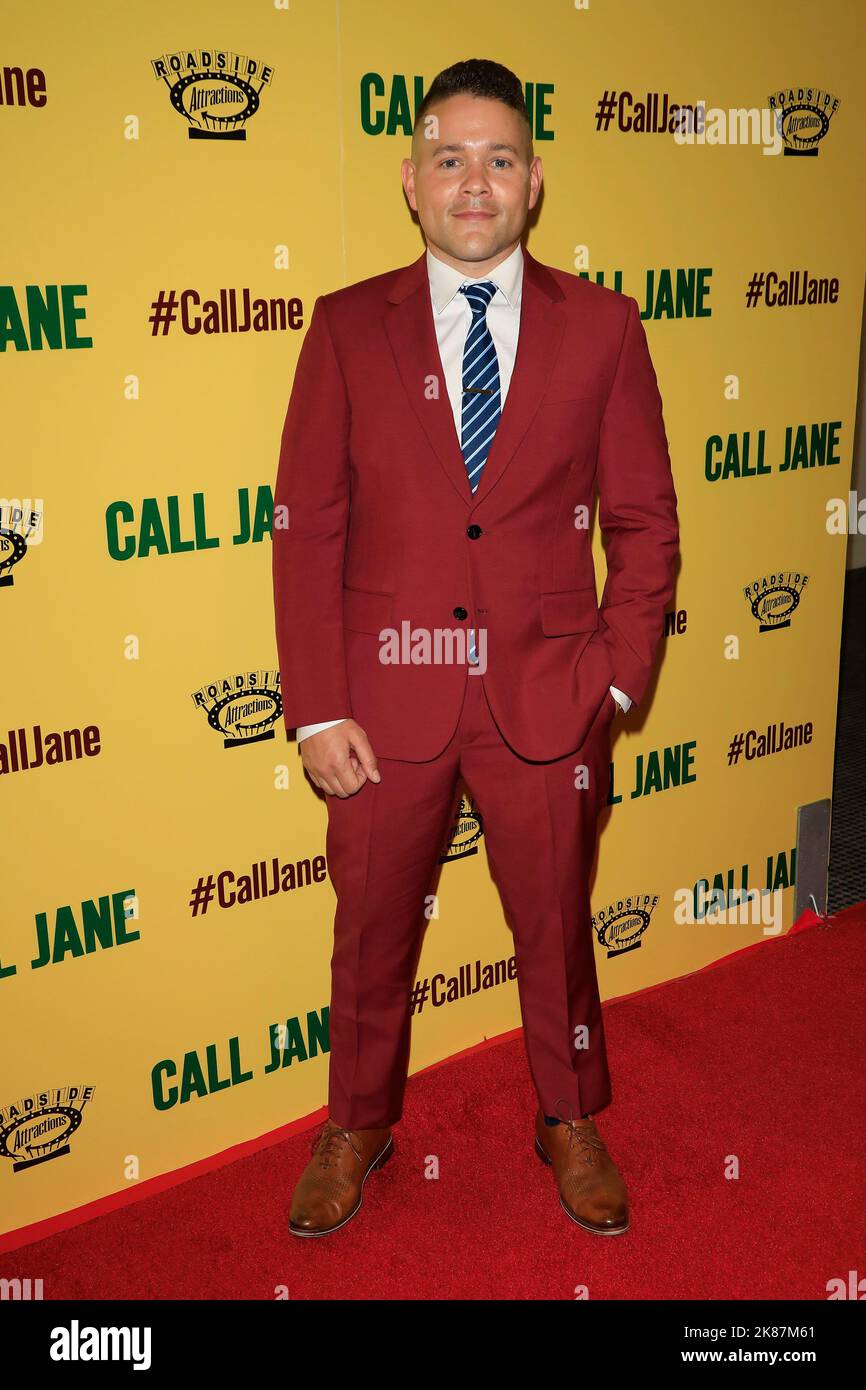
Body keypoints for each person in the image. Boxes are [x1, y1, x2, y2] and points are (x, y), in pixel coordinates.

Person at [272, 57, 679, 1238]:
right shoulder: (346, 327)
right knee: (369, 933)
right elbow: (307, 530)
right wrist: (313, 706)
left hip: (548, 695)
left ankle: (568, 1113)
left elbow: (644, 521)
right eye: (448, 157)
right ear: (409, 180)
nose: (472, 180)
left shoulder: (601, 327)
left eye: (498, 158)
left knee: (556, 927)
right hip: (380, 702)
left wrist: (614, 675)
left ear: (532, 181)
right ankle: (356, 1121)